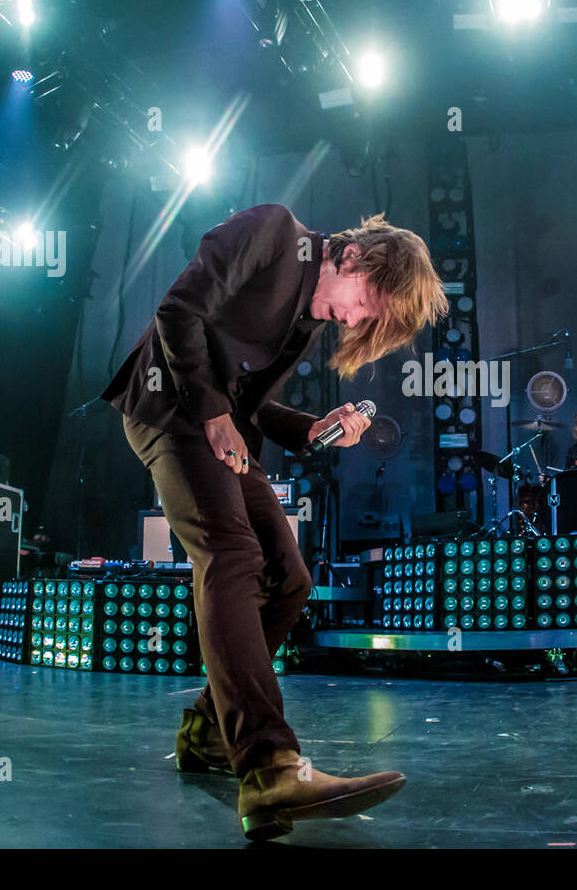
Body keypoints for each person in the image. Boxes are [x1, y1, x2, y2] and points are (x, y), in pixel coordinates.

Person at [101, 203, 447, 840]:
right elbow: (178, 312)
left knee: (290, 578)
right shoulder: (272, 232)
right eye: (367, 302)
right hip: (166, 411)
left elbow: (250, 406)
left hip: (216, 430)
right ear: (353, 257)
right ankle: (268, 768)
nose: (358, 318)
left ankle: (207, 734)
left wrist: (311, 429)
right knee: (231, 556)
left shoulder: (304, 321)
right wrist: (211, 412)